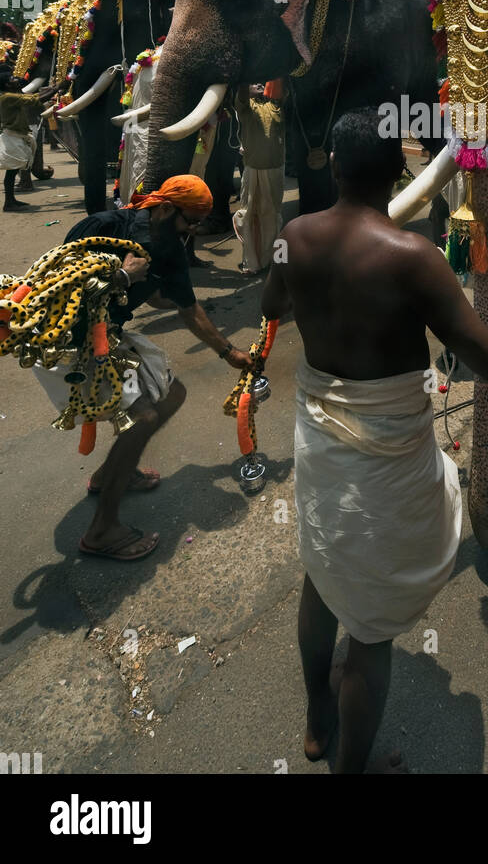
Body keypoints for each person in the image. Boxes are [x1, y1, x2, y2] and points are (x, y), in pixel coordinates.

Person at [261, 108, 488, 772]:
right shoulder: (411, 257)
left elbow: (269, 307)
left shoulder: (294, 234)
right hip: (386, 463)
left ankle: (318, 722)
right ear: (400, 169)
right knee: (370, 631)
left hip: (320, 444)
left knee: (320, 575)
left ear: (335, 168)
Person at [31, 175, 254, 560]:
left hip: (108, 333)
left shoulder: (170, 244)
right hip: (63, 341)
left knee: (173, 393)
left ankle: (109, 476)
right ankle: (101, 531)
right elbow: (56, 289)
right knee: (143, 417)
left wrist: (229, 352)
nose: (195, 231)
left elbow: (187, 307)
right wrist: (122, 277)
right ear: (166, 208)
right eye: (191, 221)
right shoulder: (102, 227)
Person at [232, 81, 286, 274]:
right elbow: (241, 95)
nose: (258, 84)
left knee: (272, 215)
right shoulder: (245, 107)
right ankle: (252, 262)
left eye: (261, 82)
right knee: (249, 215)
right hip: (252, 170)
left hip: (275, 170)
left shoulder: (277, 105)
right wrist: (245, 84)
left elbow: (282, 87)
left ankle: (273, 260)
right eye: (253, 82)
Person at [0, 70, 58, 212]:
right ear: (7, 84)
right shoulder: (7, 97)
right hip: (13, 137)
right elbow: (35, 100)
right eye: (12, 78)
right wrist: (57, 88)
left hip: (18, 136)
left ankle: (11, 200)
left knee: (13, 171)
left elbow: (34, 98)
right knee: (12, 170)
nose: (16, 79)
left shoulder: (10, 96)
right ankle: (9, 203)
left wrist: (53, 89)